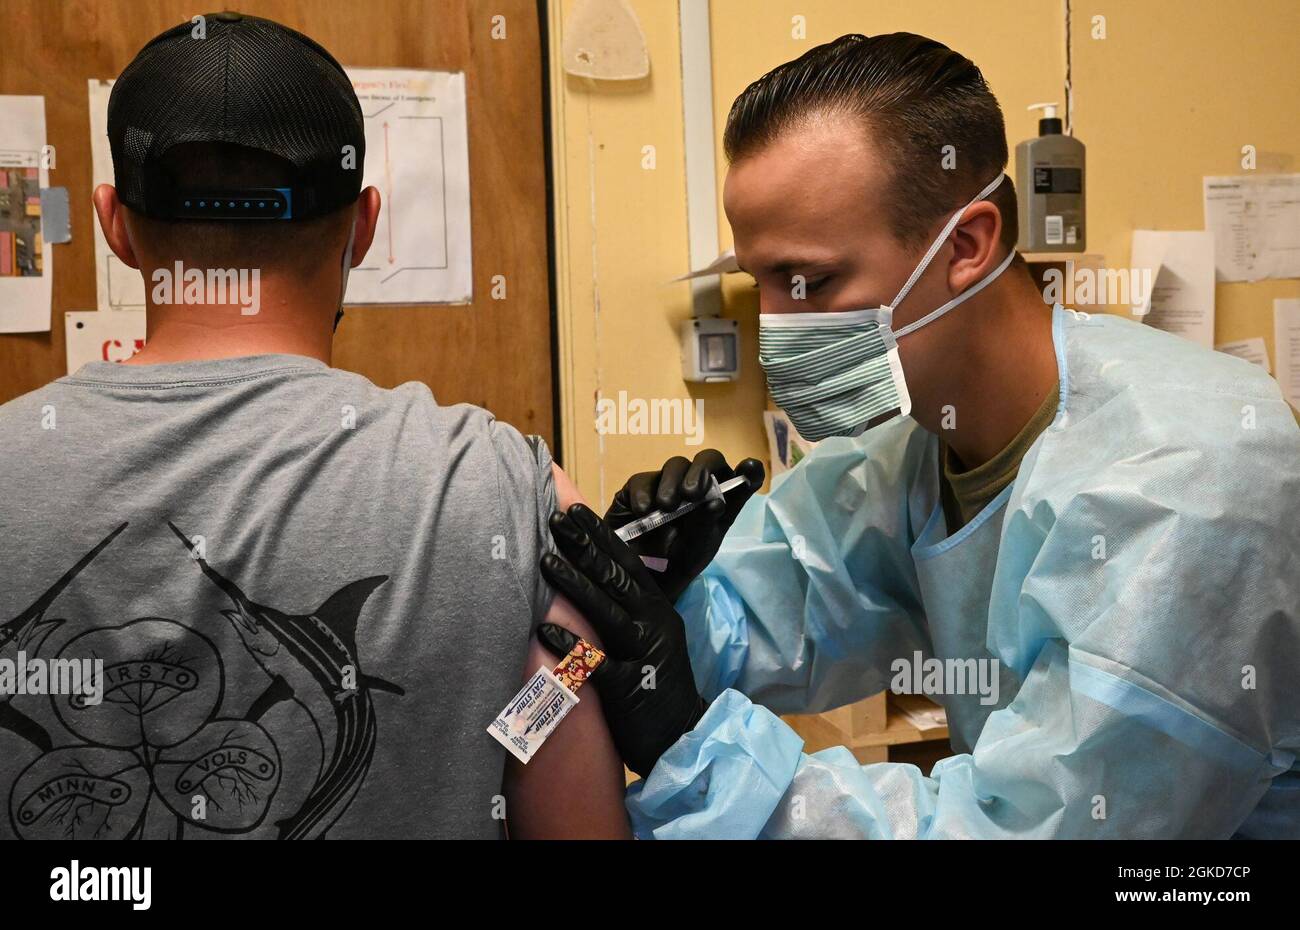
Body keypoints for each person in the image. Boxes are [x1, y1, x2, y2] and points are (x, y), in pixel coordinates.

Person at [538, 33, 1300, 839]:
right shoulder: (917, 448)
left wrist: (699, 753)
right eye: (756, 282)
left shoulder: (1188, 485)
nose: (774, 329)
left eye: (811, 282)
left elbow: (1032, 830)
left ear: (965, 246)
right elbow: (794, 597)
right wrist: (670, 597)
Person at [0, 13, 627, 840]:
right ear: (364, 227)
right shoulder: (501, 483)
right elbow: (573, 797)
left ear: (115, 225)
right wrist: (600, 651)